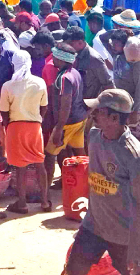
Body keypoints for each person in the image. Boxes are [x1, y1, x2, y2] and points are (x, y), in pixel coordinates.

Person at [64, 89, 140, 275]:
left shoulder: (134, 156)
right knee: (73, 270)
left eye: (98, 111)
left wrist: (137, 248)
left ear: (114, 118)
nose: (92, 114)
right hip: (93, 226)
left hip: (123, 234)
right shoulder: (94, 136)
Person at [0, 50, 51, 214]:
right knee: (40, 163)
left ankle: (22, 203)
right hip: (35, 126)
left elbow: (4, 112)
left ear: (14, 64)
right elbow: (44, 107)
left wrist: (7, 128)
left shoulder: (8, 86)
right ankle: (45, 201)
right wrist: (38, 120)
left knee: (20, 167)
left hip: (15, 127)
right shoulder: (39, 83)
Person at [44, 43, 84, 190]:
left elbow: (65, 104)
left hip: (67, 123)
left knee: (49, 156)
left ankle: (45, 191)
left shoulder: (64, 78)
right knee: (79, 155)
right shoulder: (75, 73)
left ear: (61, 59)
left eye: (54, 57)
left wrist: (59, 129)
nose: (52, 59)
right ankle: (83, 185)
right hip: (79, 119)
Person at [100, 30, 140, 140]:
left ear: (125, 45)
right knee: (121, 134)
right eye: (113, 43)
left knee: (134, 135)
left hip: (132, 103)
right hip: (120, 101)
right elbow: (102, 37)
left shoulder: (135, 61)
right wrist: (118, 30)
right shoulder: (116, 55)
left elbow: (139, 87)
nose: (113, 46)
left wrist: (135, 110)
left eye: (116, 44)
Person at [63, 26, 114, 99]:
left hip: (90, 102)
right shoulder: (73, 54)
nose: (67, 47)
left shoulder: (94, 59)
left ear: (80, 42)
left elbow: (108, 85)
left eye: (70, 44)